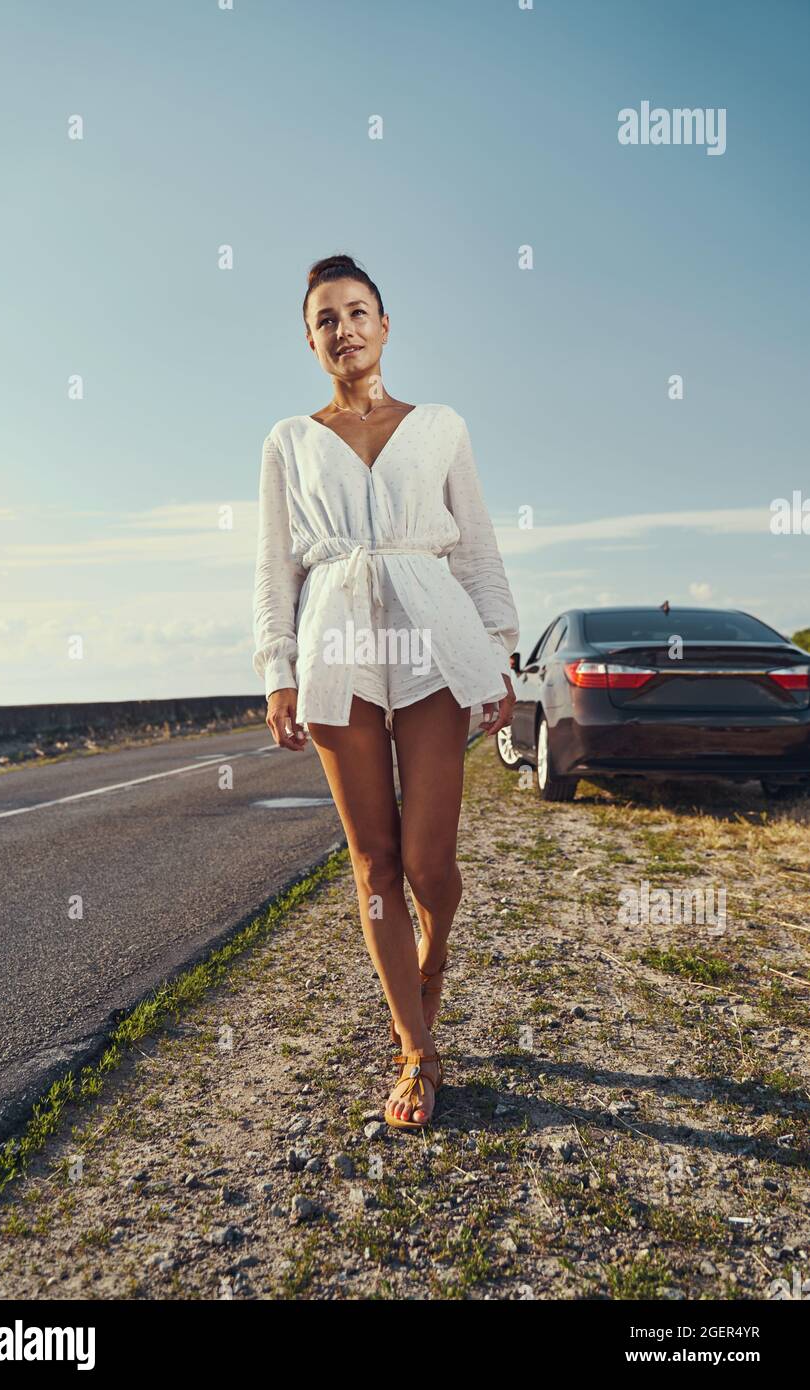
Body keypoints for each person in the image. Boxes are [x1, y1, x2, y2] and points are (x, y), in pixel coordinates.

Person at [252, 253, 519, 1129]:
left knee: (429, 862)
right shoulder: (289, 441)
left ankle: (434, 946)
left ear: (385, 324)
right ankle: (417, 1049)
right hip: (337, 643)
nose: (344, 329)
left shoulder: (439, 424)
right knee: (375, 861)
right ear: (311, 339)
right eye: (325, 319)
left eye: (358, 311)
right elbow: (274, 567)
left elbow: (476, 548)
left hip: (434, 641)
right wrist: (278, 670)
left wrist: (501, 652)